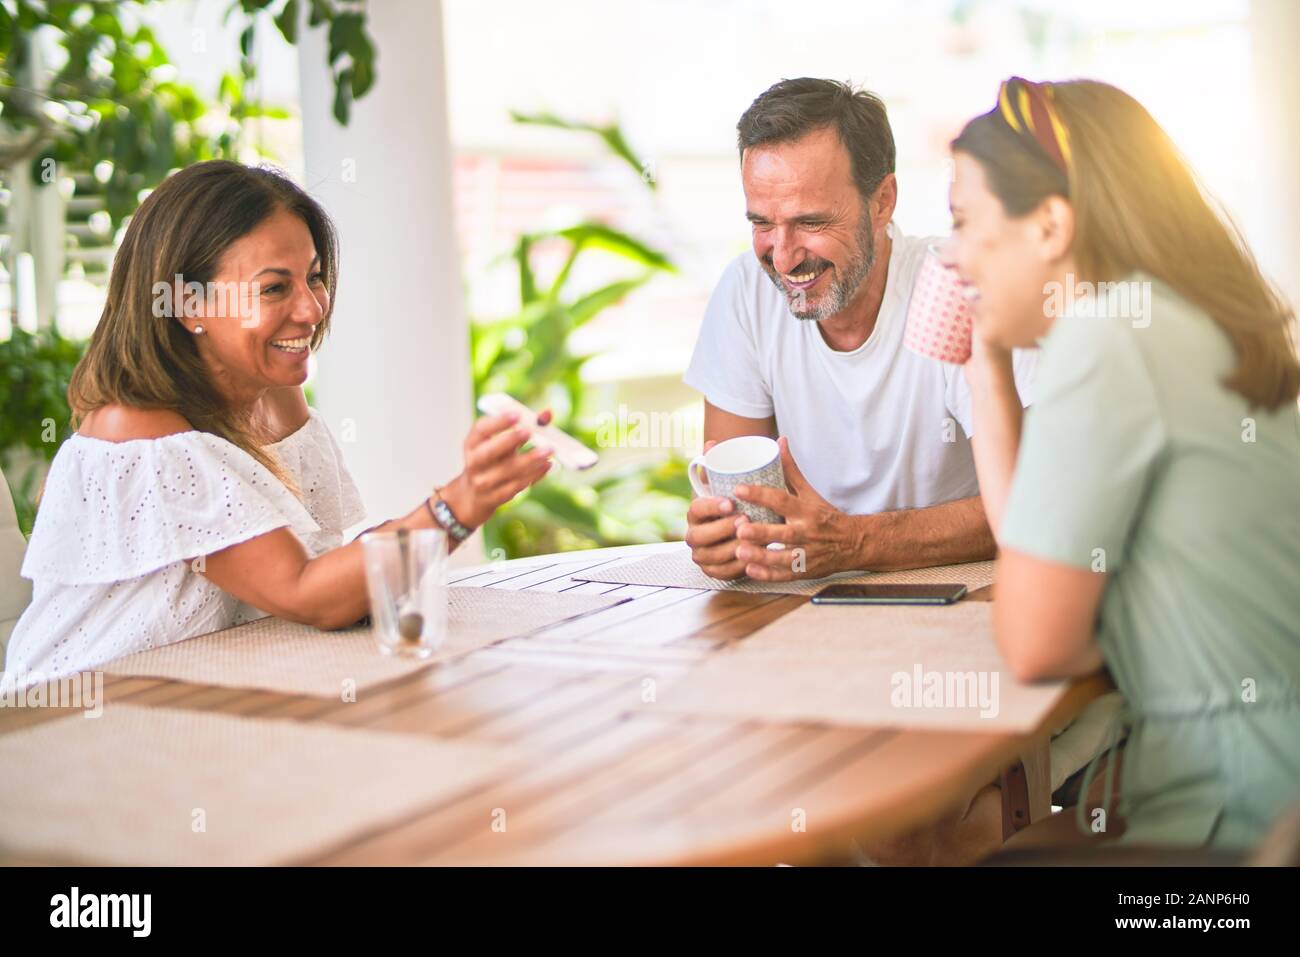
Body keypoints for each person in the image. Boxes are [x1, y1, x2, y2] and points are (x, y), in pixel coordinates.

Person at [4, 160, 552, 683]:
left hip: (211, 700)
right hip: (70, 725)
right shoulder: (141, 437)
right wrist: (461, 502)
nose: (312, 308)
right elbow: (309, 594)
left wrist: (463, 498)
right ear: (189, 305)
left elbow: (332, 561)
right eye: (274, 288)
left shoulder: (276, 400)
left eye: (313, 277)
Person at [949, 77, 1300, 850]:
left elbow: (1038, 639)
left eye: (965, 221)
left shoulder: (1110, 340)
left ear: (1049, 224)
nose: (951, 254)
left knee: (952, 846)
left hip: (1239, 823)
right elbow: (1036, 558)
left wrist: (1066, 616)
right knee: (969, 845)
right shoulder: (1177, 319)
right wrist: (986, 366)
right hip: (1259, 783)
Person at [683, 78, 1035, 583]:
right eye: (762, 223)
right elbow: (737, 496)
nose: (782, 257)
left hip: (963, 592)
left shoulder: (957, 283)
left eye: (810, 221)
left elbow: (1040, 504)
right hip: (806, 603)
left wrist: (855, 541)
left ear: (882, 201)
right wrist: (724, 539)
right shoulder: (744, 291)